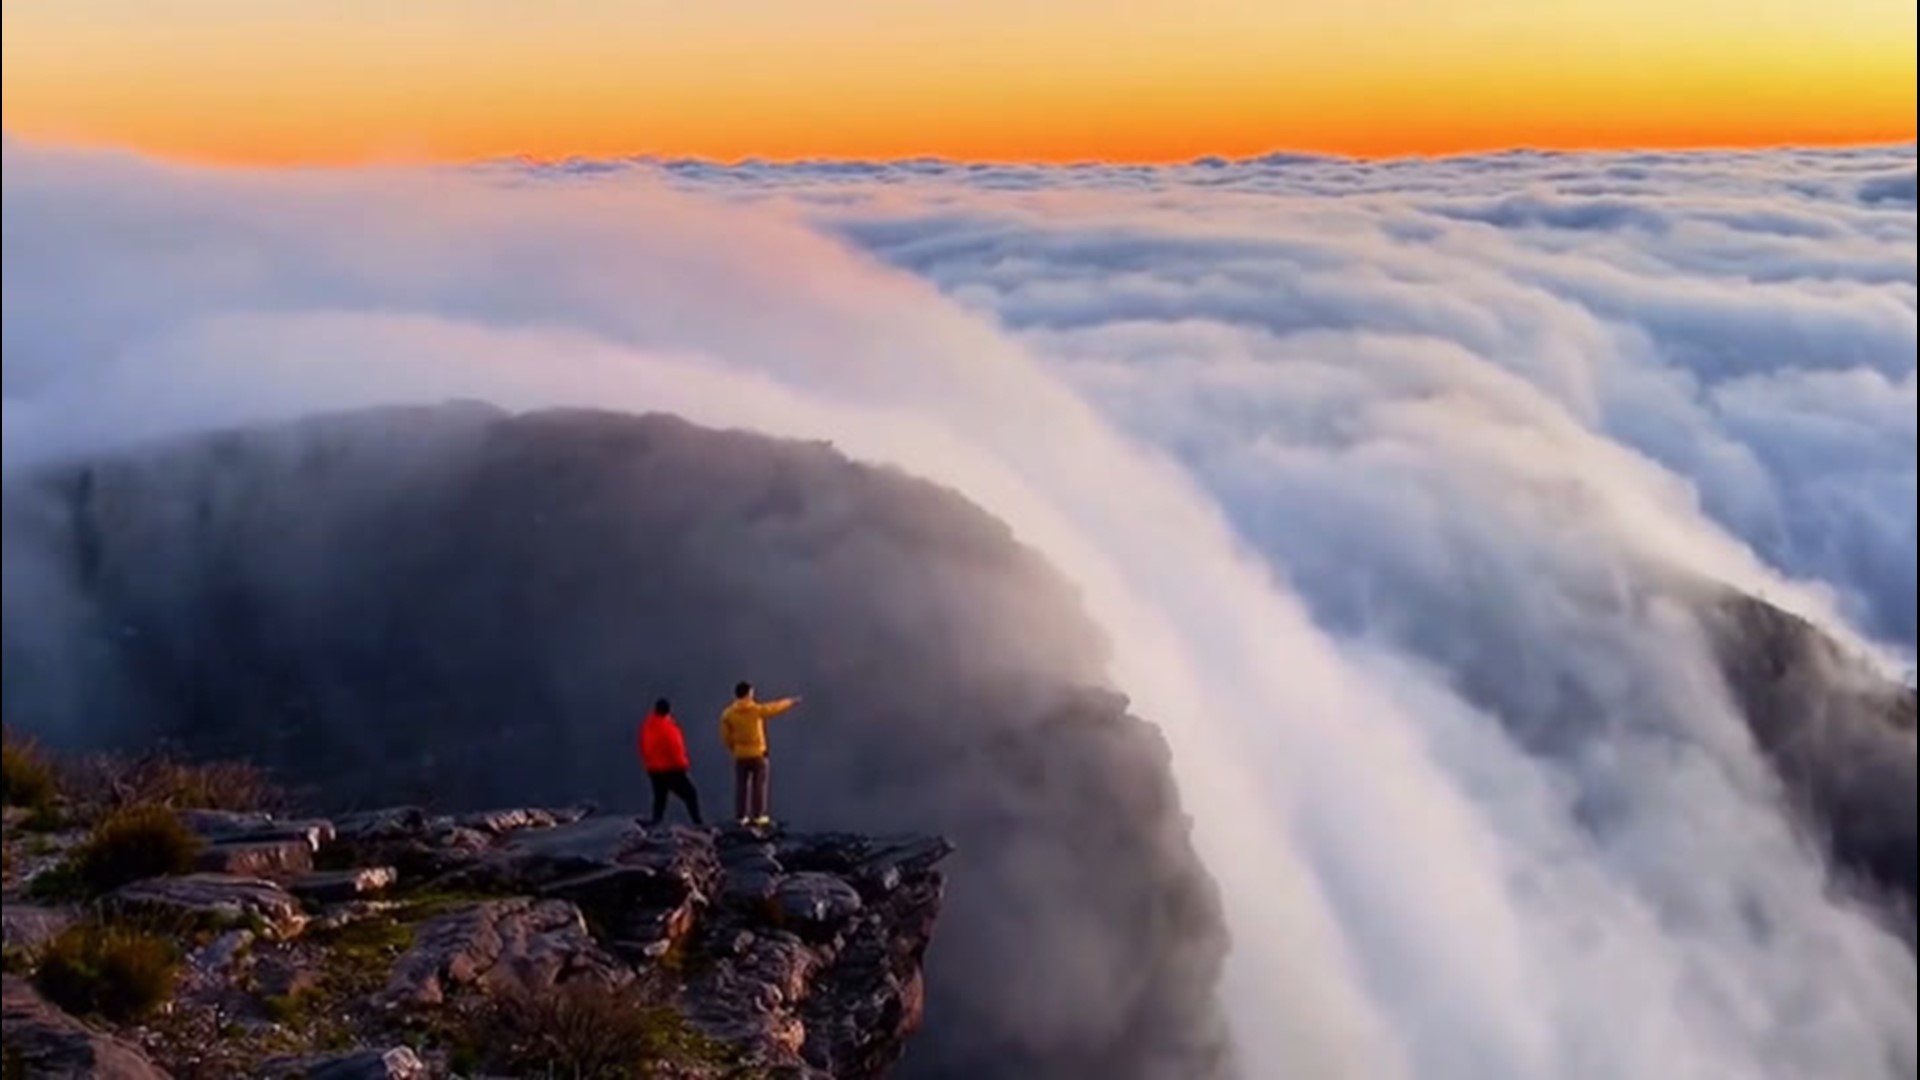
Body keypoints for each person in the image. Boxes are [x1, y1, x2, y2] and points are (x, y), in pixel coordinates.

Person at [719, 680, 800, 827]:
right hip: (757, 754)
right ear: (748, 694)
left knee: (741, 786)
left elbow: (725, 737)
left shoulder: (728, 714)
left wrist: (735, 749)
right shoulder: (756, 710)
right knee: (759, 786)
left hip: (740, 755)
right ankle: (758, 816)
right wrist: (790, 702)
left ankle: (741, 817)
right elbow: (774, 708)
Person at [638, 698, 703, 826]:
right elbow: (676, 748)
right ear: (668, 712)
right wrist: (683, 765)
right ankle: (698, 823)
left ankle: (656, 820)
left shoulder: (647, 726)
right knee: (690, 794)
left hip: (654, 769)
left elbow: (643, 746)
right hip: (671, 769)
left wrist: (648, 762)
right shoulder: (669, 728)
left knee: (660, 796)